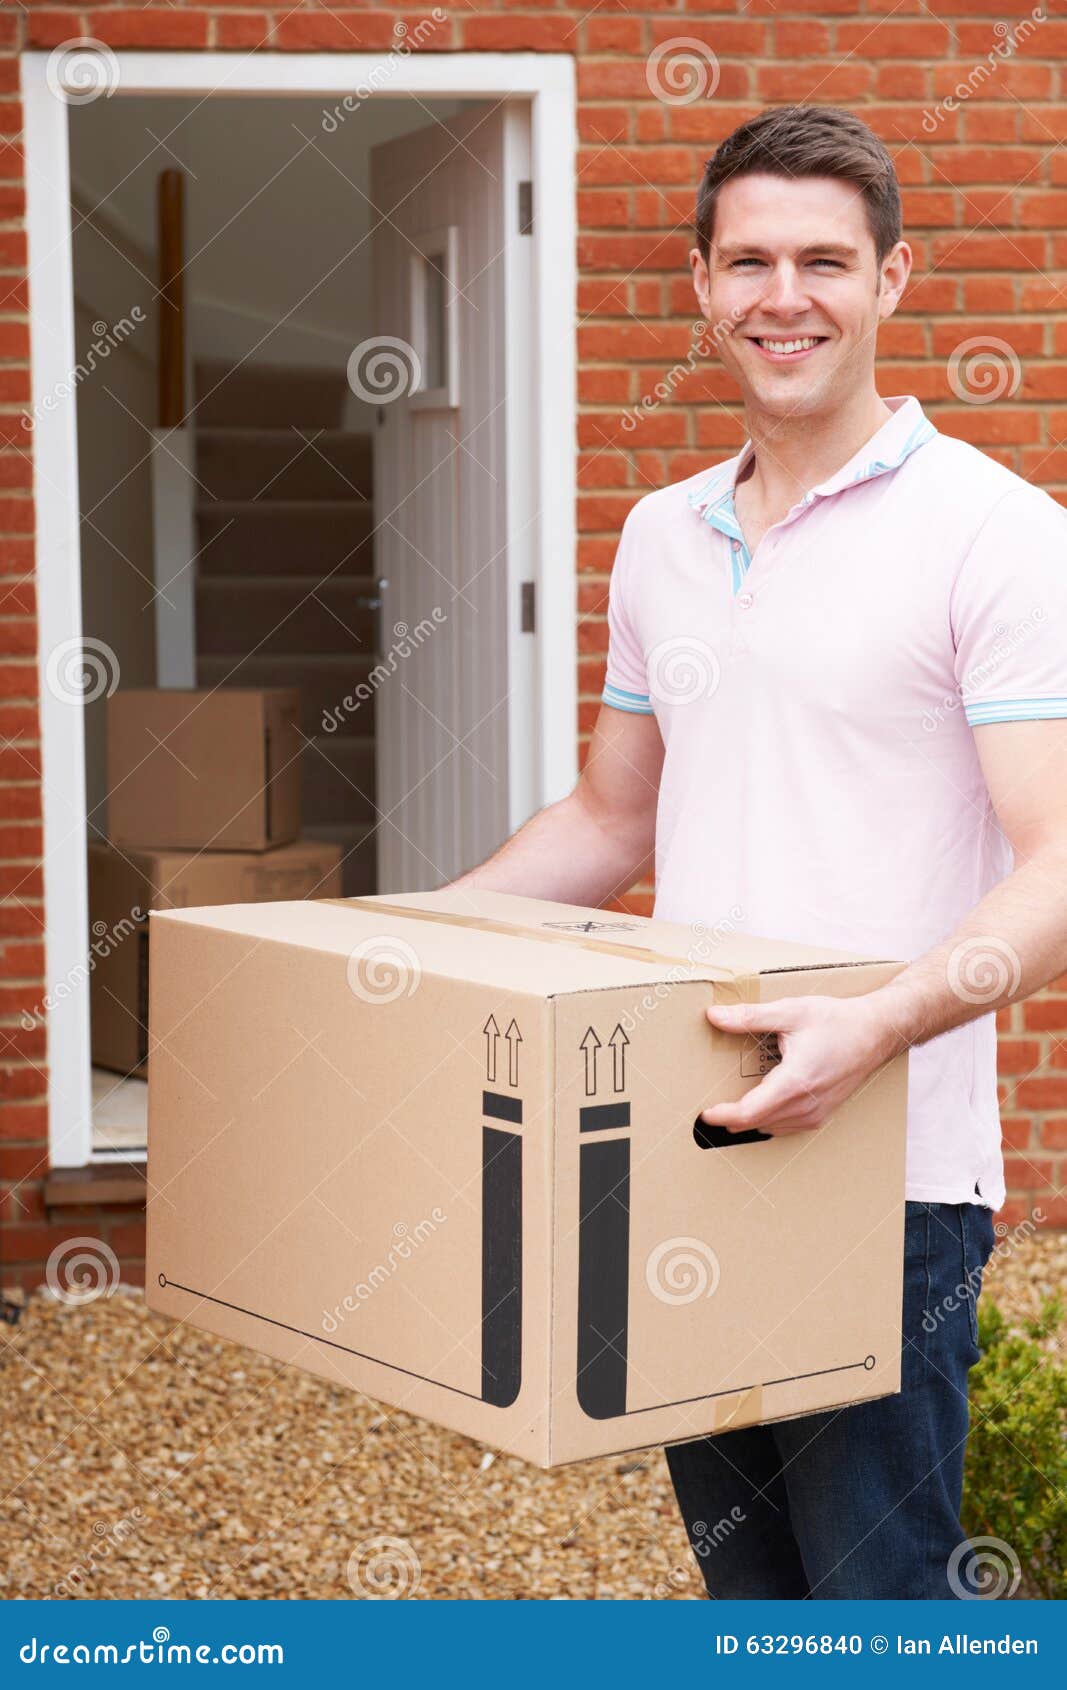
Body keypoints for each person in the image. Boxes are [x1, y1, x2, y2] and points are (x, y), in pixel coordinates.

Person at [447, 103, 1067, 1598]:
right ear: (702, 280)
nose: (783, 296)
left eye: (824, 261)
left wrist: (876, 1025)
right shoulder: (660, 534)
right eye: (749, 261)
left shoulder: (997, 533)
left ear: (893, 278)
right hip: (680, 1137)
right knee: (753, 1604)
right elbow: (611, 818)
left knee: (875, 1606)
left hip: (885, 1167)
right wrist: (392, 939)